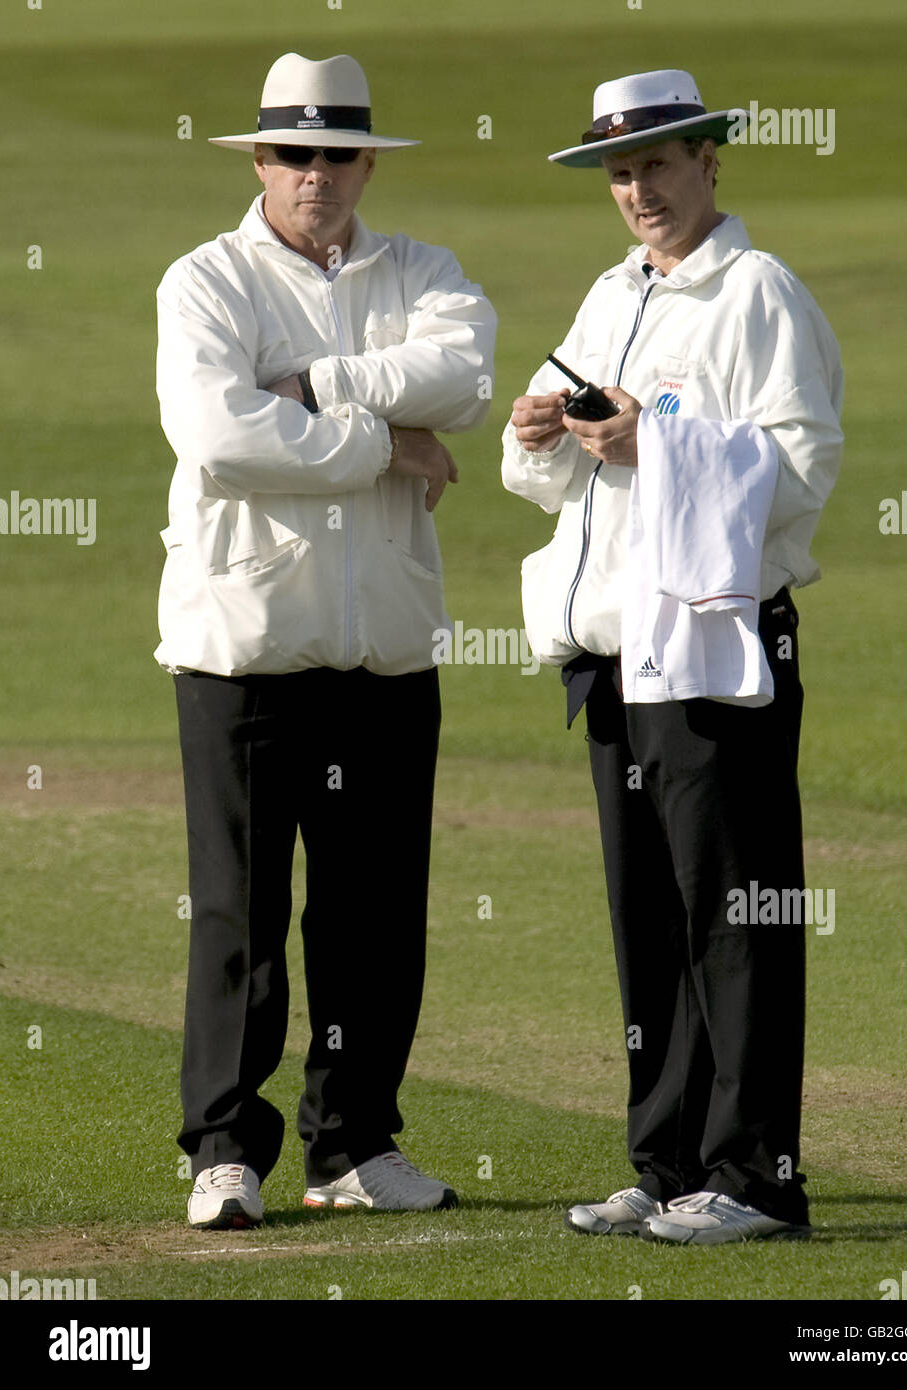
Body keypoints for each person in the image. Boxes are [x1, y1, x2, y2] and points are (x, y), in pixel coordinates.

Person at [155, 52, 496, 1229]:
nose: (316, 175)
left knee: (373, 911)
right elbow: (218, 435)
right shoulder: (204, 281)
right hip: (244, 649)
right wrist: (381, 442)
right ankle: (223, 1147)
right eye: (293, 153)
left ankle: (354, 1142)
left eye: (337, 155)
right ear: (259, 160)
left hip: (386, 654)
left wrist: (311, 381)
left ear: (365, 164)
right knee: (238, 910)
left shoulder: (423, 272)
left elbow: (462, 372)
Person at [501, 69, 843, 1244]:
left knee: (736, 914)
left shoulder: (761, 295)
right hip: (615, 653)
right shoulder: (612, 293)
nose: (639, 190)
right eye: (619, 171)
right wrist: (538, 431)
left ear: (710, 162)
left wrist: (662, 441)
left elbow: (802, 472)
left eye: (657, 164)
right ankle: (666, 1161)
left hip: (715, 648)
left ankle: (757, 1176)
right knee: (647, 915)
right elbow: (551, 484)